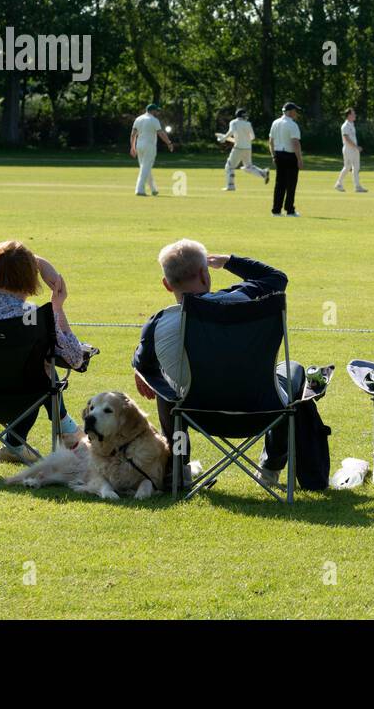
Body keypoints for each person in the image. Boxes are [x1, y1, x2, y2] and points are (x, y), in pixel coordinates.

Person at [131, 240, 295, 486]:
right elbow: (276, 277)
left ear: (166, 284)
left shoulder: (158, 323)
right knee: (294, 371)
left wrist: (140, 371)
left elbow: (144, 367)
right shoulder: (243, 299)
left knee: (166, 385)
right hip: (263, 411)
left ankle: (179, 469)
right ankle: (271, 467)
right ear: (205, 275)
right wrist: (229, 261)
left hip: (197, 414)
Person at [0, 241, 87, 464]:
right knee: (40, 370)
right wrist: (57, 306)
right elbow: (76, 359)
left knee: (34, 365)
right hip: (22, 398)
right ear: (30, 279)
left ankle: (17, 445)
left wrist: (33, 261)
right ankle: (66, 429)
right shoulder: (32, 316)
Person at [217, 108, 269, 191]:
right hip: (248, 148)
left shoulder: (233, 122)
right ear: (242, 115)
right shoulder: (248, 124)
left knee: (229, 166)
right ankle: (263, 173)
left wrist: (223, 138)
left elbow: (231, 132)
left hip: (238, 148)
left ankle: (231, 186)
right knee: (248, 167)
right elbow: (252, 137)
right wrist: (244, 138)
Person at [130, 102, 174, 196]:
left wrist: (132, 147)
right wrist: (169, 143)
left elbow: (133, 134)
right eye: (156, 111)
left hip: (139, 145)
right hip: (149, 146)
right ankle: (139, 190)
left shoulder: (138, 119)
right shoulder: (153, 120)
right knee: (145, 168)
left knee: (146, 168)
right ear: (152, 111)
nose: (157, 112)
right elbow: (161, 133)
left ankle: (153, 189)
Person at [268, 101, 304, 216]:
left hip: (278, 155)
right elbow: (295, 143)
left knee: (279, 183)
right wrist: (299, 159)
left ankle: (276, 210)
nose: (296, 113)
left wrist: (273, 155)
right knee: (291, 184)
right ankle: (289, 209)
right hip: (290, 156)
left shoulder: (275, 123)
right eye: (295, 111)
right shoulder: (292, 125)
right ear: (291, 112)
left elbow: (271, 141)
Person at [334, 108, 368, 193]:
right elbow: (346, 139)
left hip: (354, 149)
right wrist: (356, 147)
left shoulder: (352, 124)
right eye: (353, 114)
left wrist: (356, 148)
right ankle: (338, 184)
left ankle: (357, 186)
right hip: (349, 149)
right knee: (347, 167)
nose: (355, 115)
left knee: (356, 167)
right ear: (349, 115)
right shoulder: (345, 126)